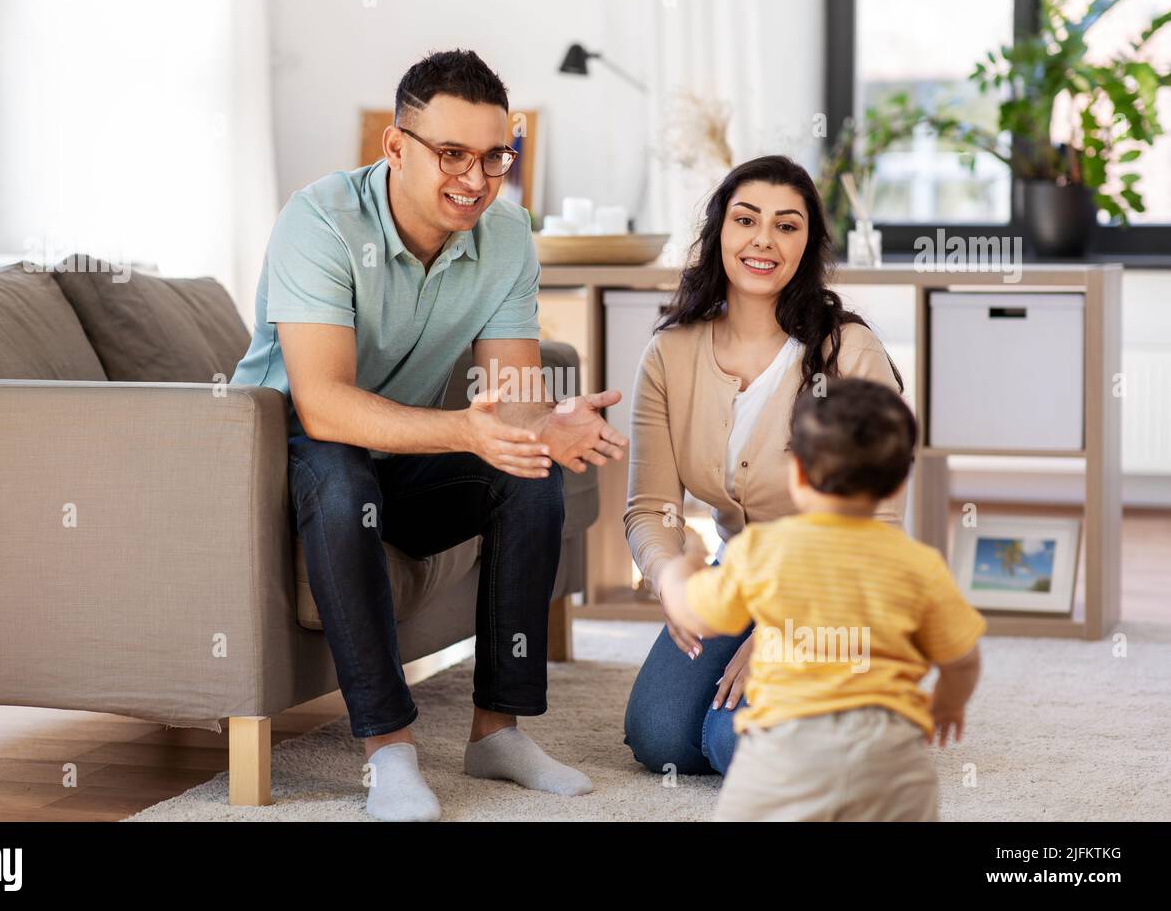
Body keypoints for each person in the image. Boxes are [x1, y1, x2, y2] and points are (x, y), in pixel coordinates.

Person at [231, 49, 628, 821]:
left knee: (528, 470)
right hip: (294, 457)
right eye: (451, 154)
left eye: (493, 157)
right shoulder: (319, 221)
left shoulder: (507, 235)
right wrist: (465, 431)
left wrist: (544, 425)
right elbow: (323, 408)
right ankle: (390, 750)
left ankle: (498, 732)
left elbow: (508, 401)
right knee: (342, 476)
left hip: (400, 459)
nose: (474, 179)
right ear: (395, 147)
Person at [621, 154, 908, 776]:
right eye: (746, 220)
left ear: (808, 244)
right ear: (719, 231)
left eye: (787, 226)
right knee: (661, 740)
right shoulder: (670, 353)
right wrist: (673, 580)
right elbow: (651, 508)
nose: (763, 241)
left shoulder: (849, 352)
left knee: (736, 744)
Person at [659, 377, 986, 821]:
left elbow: (695, 616)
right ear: (896, 483)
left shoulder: (763, 549)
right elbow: (962, 658)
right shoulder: (920, 565)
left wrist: (685, 565)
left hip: (784, 752)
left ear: (797, 472)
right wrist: (949, 702)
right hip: (890, 758)